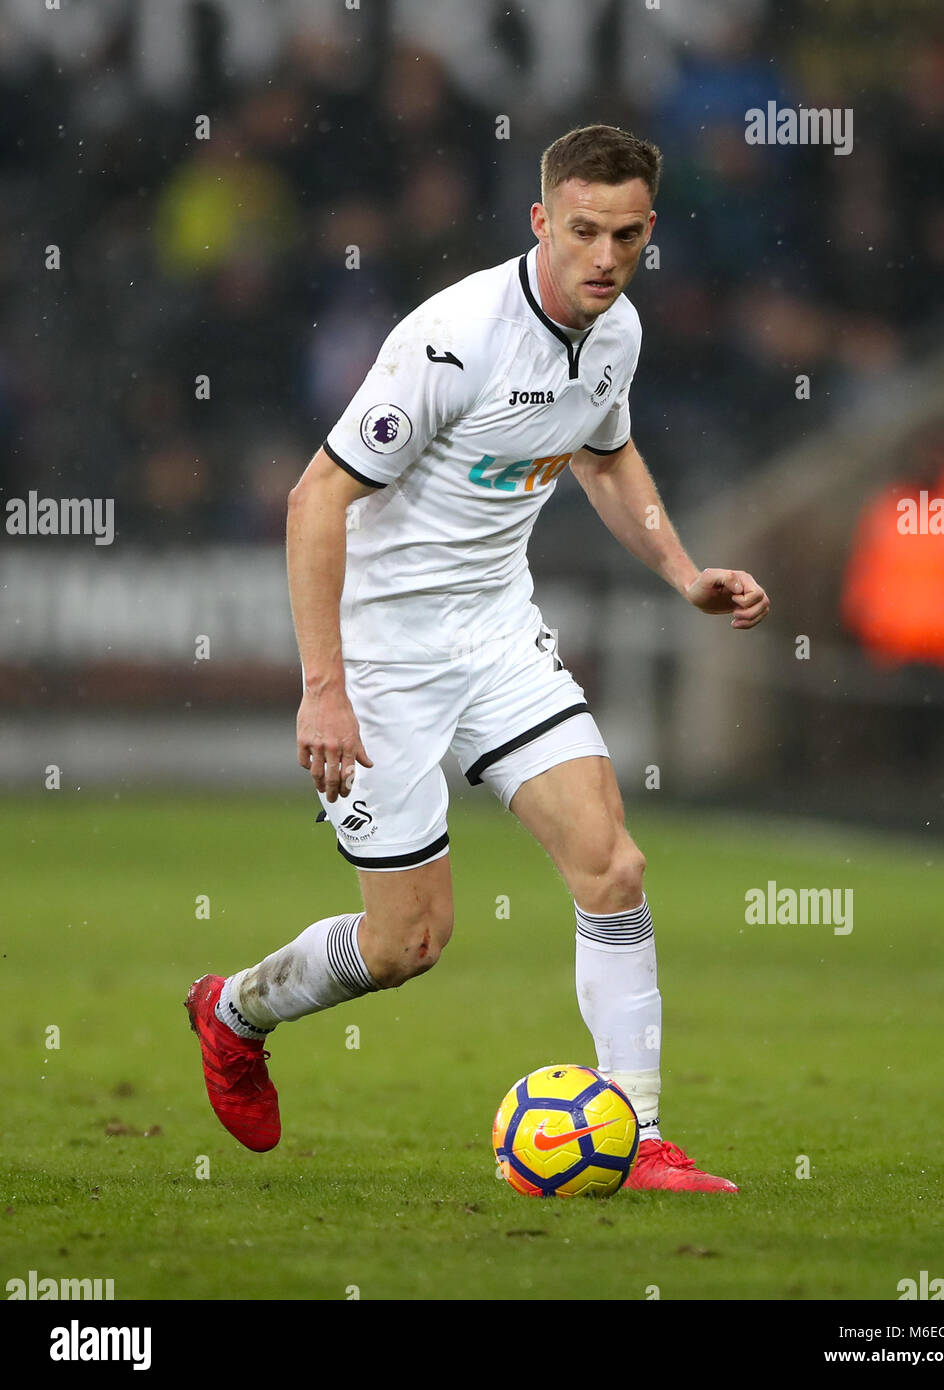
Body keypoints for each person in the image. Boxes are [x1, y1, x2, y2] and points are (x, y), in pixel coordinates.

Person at [186, 124, 770, 1192]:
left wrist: (683, 569)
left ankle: (637, 1138)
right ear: (541, 221)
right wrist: (325, 690)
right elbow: (316, 497)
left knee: (614, 866)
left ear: (648, 232)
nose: (604, 258)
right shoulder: (452, 339)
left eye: (627, 237)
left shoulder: (617, 332)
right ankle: (233, 1012)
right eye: (584, 232)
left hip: (497, 632)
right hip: (382, 657)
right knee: (407, 942)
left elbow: (605, 453)